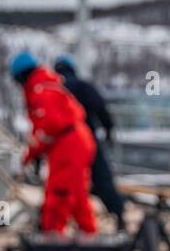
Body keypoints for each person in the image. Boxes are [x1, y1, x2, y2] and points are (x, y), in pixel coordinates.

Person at [10, 51, 97, 235]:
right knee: (78, 194)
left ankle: (51, 240)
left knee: (59, 194)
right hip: (75, 142)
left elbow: (47, 129)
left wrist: (29, 155)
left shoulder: (41, 91)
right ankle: (89, 235)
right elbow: (42, 128)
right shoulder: (45, 87)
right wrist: (32, 155)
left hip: (69, 147)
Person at [54, 55, 126, 231]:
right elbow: (100, 106)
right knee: (101, 178)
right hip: (86, 139)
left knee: (64, 185)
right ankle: (117, 215)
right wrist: (108, 128)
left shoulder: (54, 87)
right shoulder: (82, 85)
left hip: (62, 145)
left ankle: (57, 226)